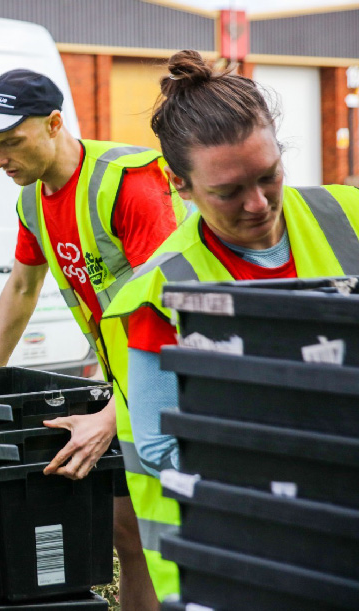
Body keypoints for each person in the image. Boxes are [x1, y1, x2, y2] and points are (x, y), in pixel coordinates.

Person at [103, 49, 359, 601]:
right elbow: (160, 444)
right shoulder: (162, 287)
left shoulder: (350, 215)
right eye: (228, 192)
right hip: (242, 552)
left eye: (269, 176)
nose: (258, 203)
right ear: (180, 185)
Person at [0, 69, 186, 610]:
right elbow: (22, 287)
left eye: (11, 142)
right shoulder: (33, 200)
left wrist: (110, 419)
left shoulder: (128, 183)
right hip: (125, 380)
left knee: (172, 539)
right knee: (129, 536)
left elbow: (170, 309)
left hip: (177, 379)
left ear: (55, 123)